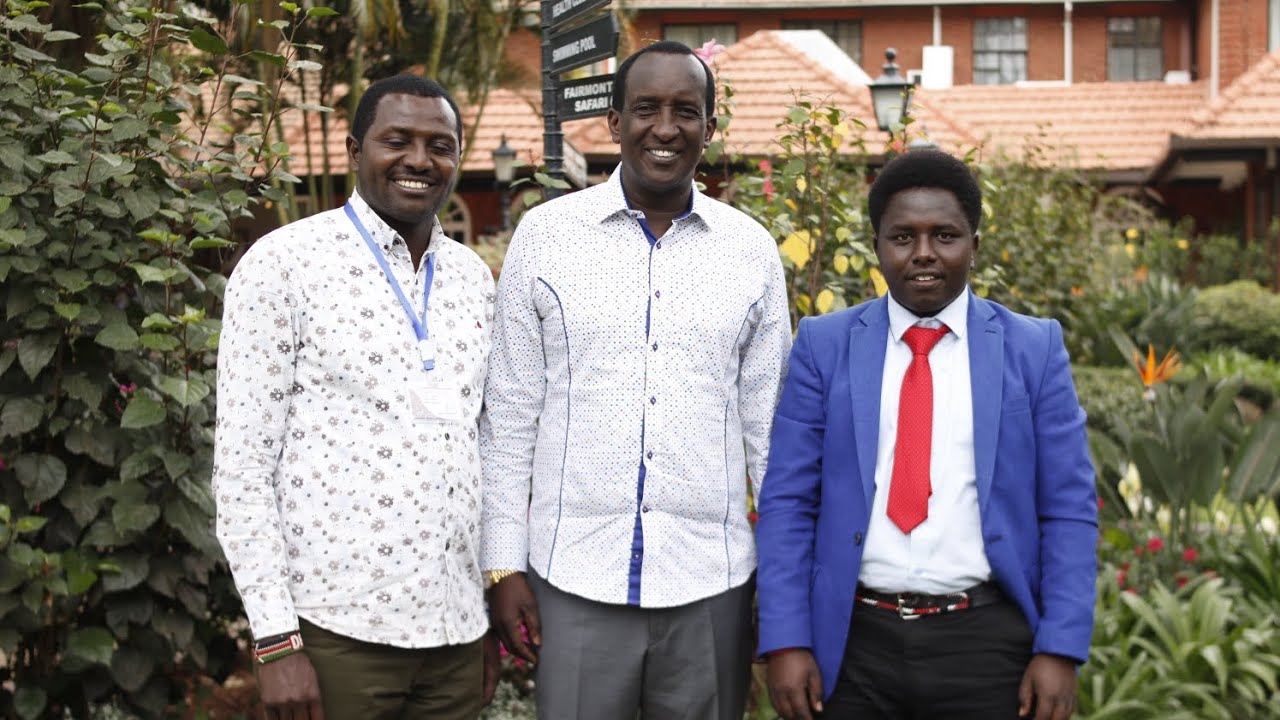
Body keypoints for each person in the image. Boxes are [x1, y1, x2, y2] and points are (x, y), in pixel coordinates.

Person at [479, 40, 792, 720]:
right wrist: (503, 565)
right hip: (575, 578)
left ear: (710, 127)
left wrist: (786, 583)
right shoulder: (545, 237)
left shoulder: (751, 252)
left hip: (713, 583)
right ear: (616, 123)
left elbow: (769, 432)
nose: (666, 127)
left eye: (687, 110)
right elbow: (508, 419)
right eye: (646, 108)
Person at [756, 149, 1098, 720]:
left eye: (944, 236)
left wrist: (1061, 647)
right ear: (878, 246)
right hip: (853, 642)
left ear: (974, 246)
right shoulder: (825, 345)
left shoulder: (1033, 350)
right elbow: (789, 501)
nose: (923, 254)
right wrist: (786, 640)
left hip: (987, 644)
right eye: (902, 236)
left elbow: (1068, 506)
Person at [212, 74, 499, 720]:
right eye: (396, 140)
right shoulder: (283, 264)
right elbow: (242, 468)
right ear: (352, 150)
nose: (419, 161)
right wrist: (277, 641)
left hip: (452, 638)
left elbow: (481, 448)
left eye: (440, 145)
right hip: (335, 633)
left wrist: (479, 613)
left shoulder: (474, 280)